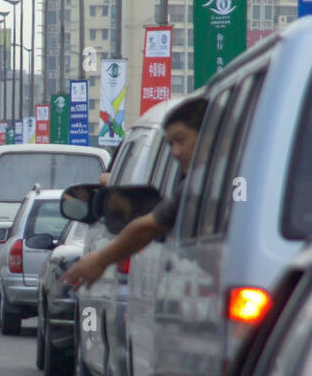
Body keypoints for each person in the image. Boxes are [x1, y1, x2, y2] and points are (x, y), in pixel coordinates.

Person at [62, 97, 208, 288]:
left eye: (180, 140)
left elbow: (145, 229)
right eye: (170, 144)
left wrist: (99, 260)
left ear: (209, 133)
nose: (175, 152)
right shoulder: (197, 184)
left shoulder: (211, 180)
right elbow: (148, 225)